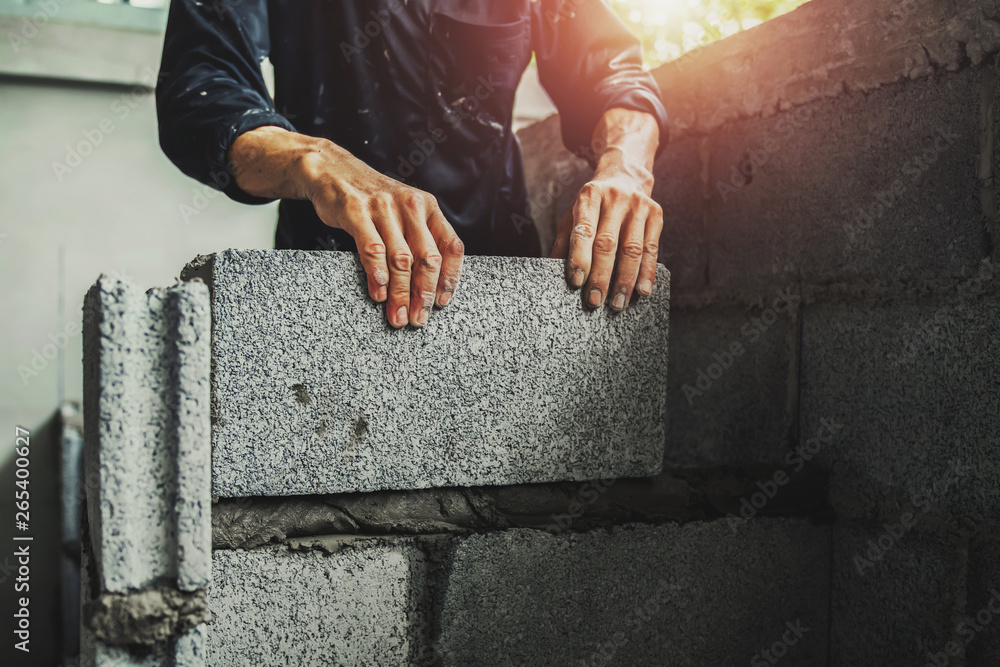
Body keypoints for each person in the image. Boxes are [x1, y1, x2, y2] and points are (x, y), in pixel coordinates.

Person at [156, 0, 668, 329]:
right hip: (325, 294)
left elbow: (614, 73)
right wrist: (313, 160)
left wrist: (626, 168)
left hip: (497, 293)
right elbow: (201, 88)